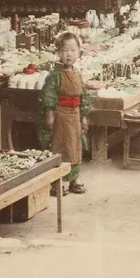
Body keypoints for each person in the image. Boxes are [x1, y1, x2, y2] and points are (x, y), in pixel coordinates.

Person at [38, 30, 91, 195]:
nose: (69, 54)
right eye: (65, 50)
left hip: (75, 115)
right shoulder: (55, 75)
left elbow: (83, 96)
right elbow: (49, 95)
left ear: (79, 52)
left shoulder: (77, 74)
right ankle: (57, 182)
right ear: (59, 52)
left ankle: (75, 180)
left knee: (75, 147)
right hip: (60, 115)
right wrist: (50, 114)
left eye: (73, 50)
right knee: (60, 147)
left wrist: (83, 117)